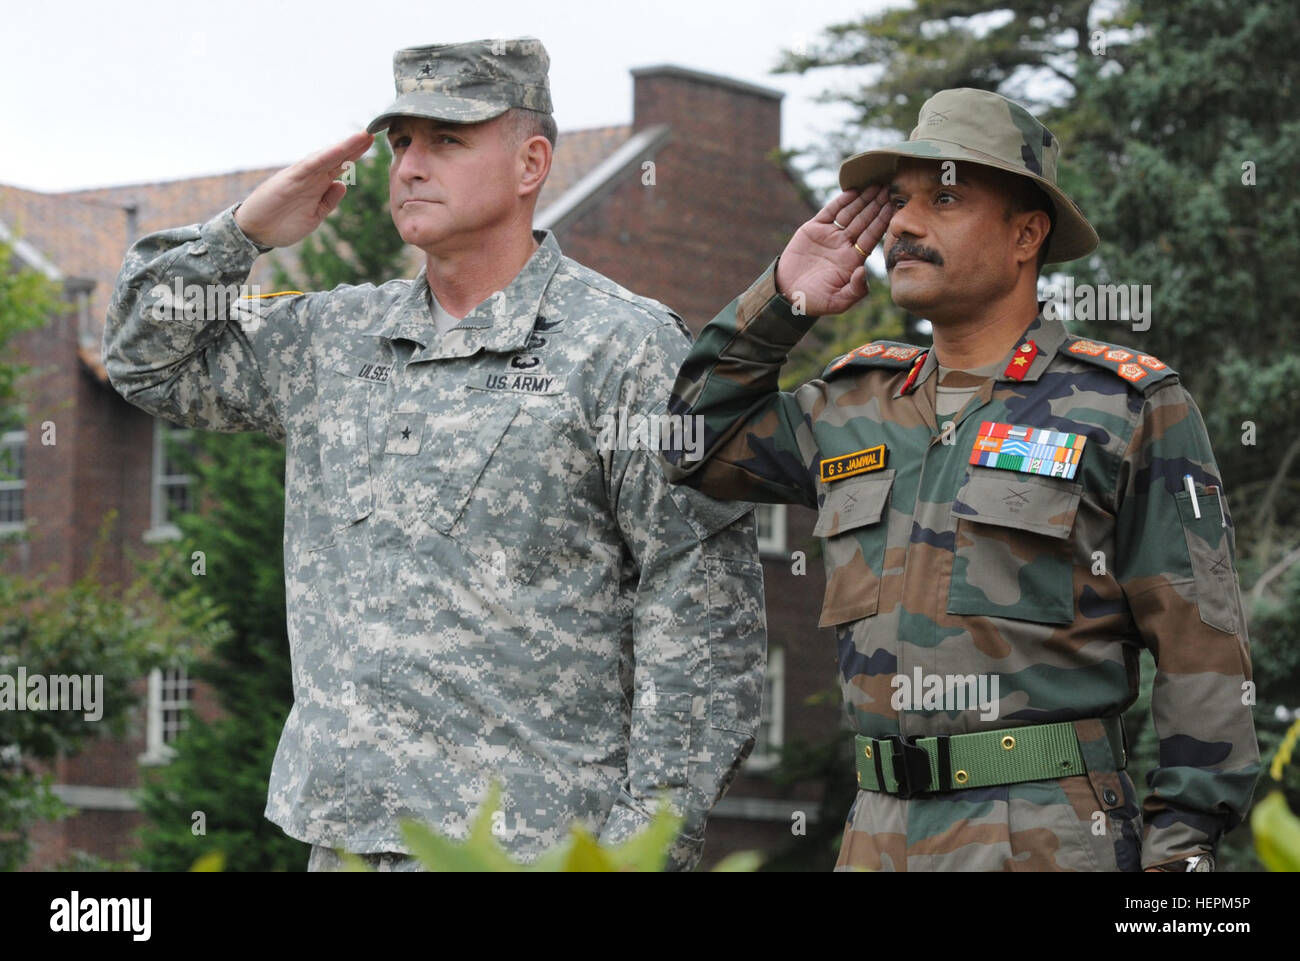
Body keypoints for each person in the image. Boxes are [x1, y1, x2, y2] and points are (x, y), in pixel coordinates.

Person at [103, 37, 766, 872]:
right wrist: (242, 233)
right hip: (346, 840)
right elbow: (141, 357)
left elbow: (702, 604)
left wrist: (644, 843)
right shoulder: (334, 338)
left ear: (531, 163)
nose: (411, 165)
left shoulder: (625, 348)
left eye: (446, 140)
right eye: (401, 142)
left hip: (532, 848)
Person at [662, 87, 1259, 871]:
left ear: (1026, 234)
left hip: (1044, 832)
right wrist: (784, 297)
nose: (905, 225)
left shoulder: (1125, 406)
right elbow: (690, 443)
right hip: (875, 833)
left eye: (945, 198)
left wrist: (1179, 861)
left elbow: (1201, 653)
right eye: (899, 203)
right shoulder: (852, 404)